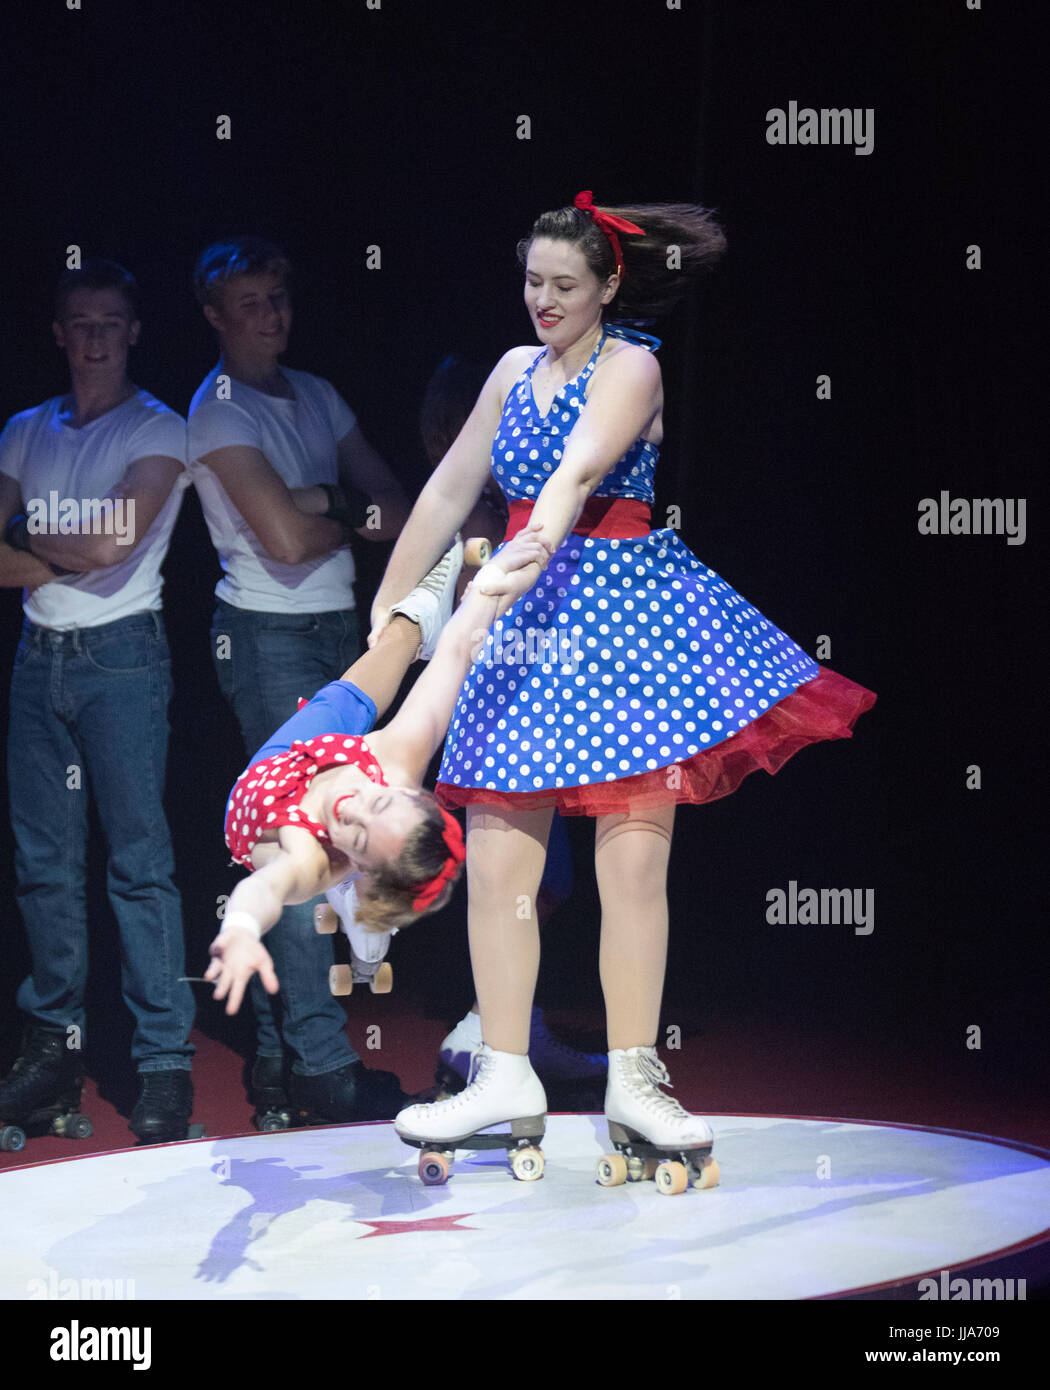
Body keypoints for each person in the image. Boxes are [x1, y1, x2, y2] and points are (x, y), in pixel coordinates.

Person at [371, 192, 877, 1174]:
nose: (544, 302)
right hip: (523, 628)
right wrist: (394, 613)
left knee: (631, 861)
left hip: (622, 621)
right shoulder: (513, 369)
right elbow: (443, 490)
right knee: (501, 859)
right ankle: (504, 1067)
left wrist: (524, 556)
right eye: (532, 283)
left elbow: (573, 475)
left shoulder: (633, 363)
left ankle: (638, 1077)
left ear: (608, 284)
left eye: (565, 285)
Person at [187, 236, 412, 1124]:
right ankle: (319, 1062)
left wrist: (318, 503)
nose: (272, 316)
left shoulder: (316, 392)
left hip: (336, 626)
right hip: (266, 634)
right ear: (214, 317)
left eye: (279, 296)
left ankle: (290, 1069)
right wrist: (331, 508)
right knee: (300, 838)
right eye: (251, 304)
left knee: (336, 839)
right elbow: (282, 542)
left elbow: (393, 506)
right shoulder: (218, 410)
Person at [204, 523, 553, 1027]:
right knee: (398, 638)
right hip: (325, 751)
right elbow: (457, 652)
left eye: (358, 837)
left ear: (353, 862)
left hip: (266, 788)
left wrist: (239, 928)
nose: (352, 808)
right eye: (381, 804)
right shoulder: (392, 768)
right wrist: (493, 578)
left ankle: (359, 907)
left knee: (347, 875)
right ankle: (436, 584)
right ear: (407, 794)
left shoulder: (307, 856)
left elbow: (265, 890)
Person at [0, 259, 196, 1143]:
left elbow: (117, 540)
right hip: (40, 654)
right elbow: (64, 548)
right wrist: (66, 549)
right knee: (45, 864)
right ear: (58, 334)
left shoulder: (160, 427)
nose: (94, 338)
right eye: (79, 322)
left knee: (138, 863)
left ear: (133, 332)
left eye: (110, 323)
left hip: (120, 658)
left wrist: (26, 537)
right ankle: (53, 1048)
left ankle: (163, 1061)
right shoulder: (24, 429)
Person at [417, 355, 606, 1100]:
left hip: (531, 696)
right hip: (495, 705)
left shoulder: (510, 508)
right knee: (524, 874)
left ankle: (503, 1028)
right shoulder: (477, 518)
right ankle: (488, 1035)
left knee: (543, 876)